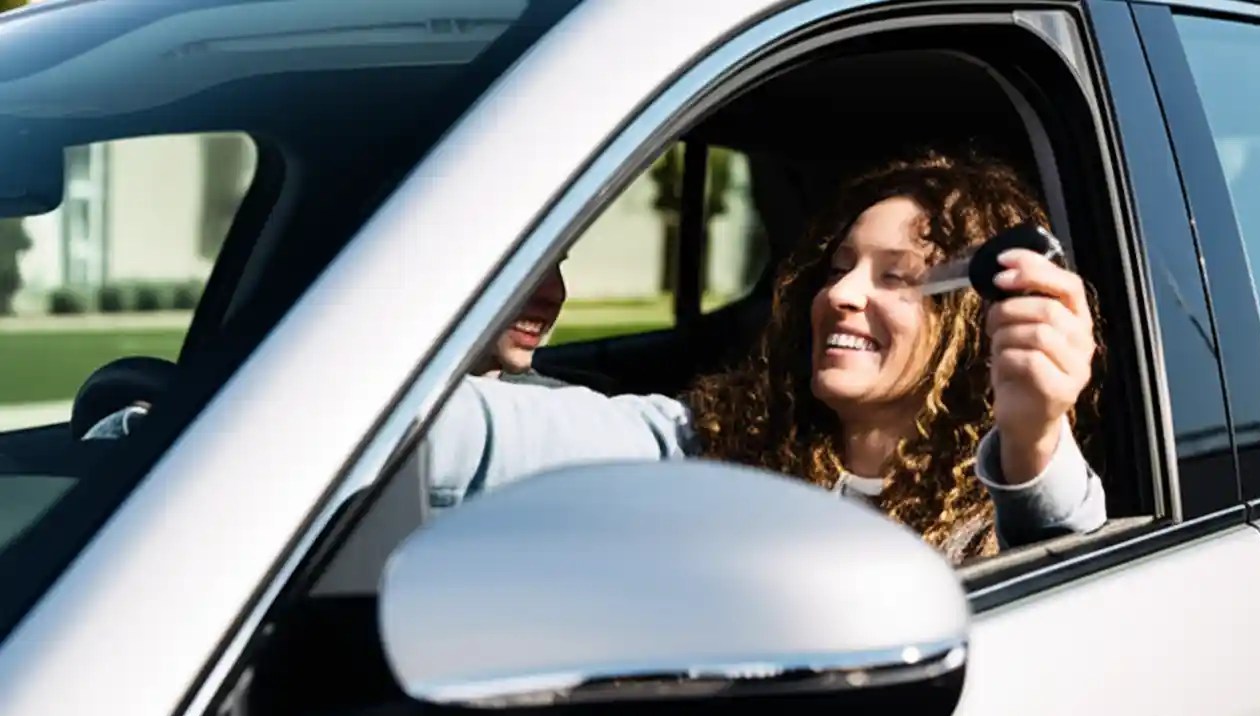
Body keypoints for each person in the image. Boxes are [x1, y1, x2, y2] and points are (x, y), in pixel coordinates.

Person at [405, 148, 1106, 564]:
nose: (843, 295)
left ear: (970, 316)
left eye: (896, 277)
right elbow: (483, 436)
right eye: (837, 268)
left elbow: (1065, 551)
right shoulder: (715, 446)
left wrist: (1035, 439)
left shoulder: (991, 511)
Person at [80, 261, 571, 439]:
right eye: (534, 263)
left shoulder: (561, 417)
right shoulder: (317, 421)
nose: (552, 293)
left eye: (558, 261)